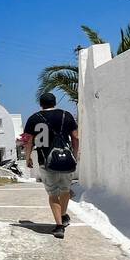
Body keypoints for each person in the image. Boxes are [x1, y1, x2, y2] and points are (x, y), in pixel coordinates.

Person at [22, 93, 79, 238]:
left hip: (45, 160)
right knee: (65, 190)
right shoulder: (66, 115)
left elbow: (27, 141)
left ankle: (59, 226)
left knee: (53, 194)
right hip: (66, 159)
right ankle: (64, 215)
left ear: (41, 104)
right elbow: (76, 137)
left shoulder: (34, 118)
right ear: (55, 102)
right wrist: (75, 154)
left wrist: (28, 158)